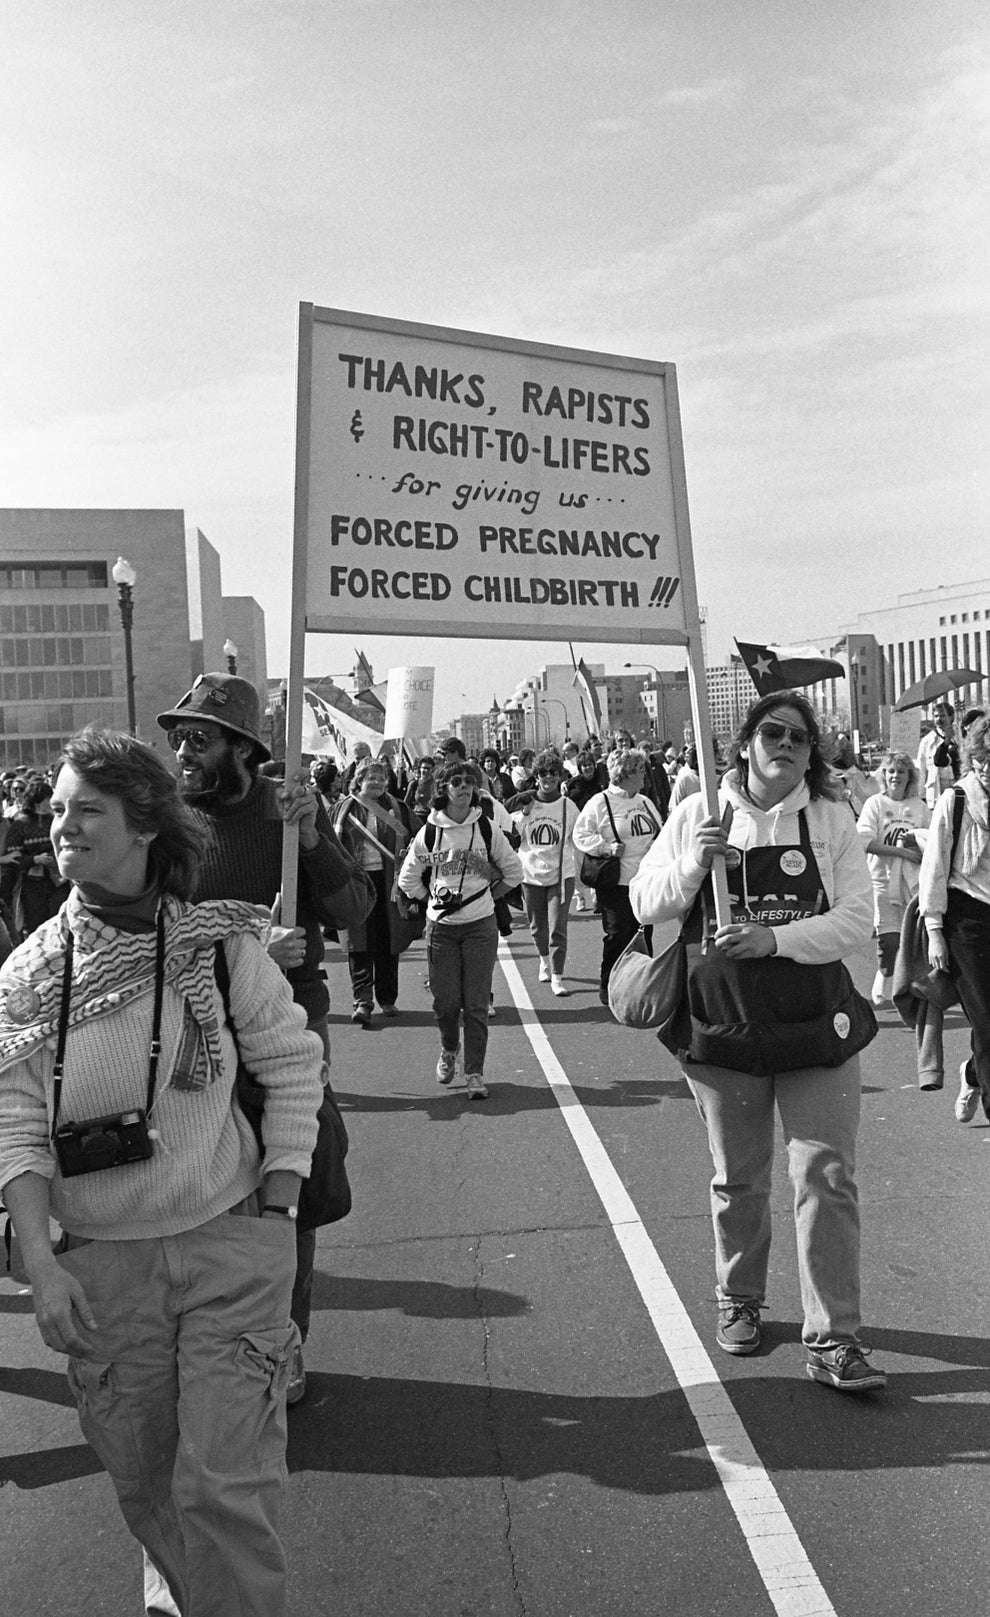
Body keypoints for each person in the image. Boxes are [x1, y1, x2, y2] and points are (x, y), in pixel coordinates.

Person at [0, 728, 324, 1617]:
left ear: (145, 825)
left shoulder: (215, 943)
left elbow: (294, 1064)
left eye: (87, 809)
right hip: (105, 1272)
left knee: (222, 1488)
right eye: (57, 808)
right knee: (149, 1491)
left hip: (230, 1247)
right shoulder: (29, 974)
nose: (62, 825)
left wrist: (280, 1207)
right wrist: (42, 1264)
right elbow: (14, 1126)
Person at [630, 691, 885, 1393]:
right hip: (725, 1021)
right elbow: (645, 901)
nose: (787, 745)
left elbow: (856, 920)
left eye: (800, 737)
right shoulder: (699, 811)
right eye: (773, 732)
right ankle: (738, 1295)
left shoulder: (830, 816)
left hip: (814, 1022)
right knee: (739, 1178)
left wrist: (775, 938)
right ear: (744, 743)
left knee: (826, 1176)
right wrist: (693, 865)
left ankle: (834, 1337)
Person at [156, 672, 357, 1405]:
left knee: (289, 1189)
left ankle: (283, 1343)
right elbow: (153, 938)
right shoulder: (166, 822)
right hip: (191, 1027)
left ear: (243, 748)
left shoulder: (288, 808)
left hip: (290, 1024)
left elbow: (354, 910)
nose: (182, 750)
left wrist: (313, 839)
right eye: (178, 737)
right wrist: (246, 955)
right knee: (200, 1189)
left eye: (198, 738)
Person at [398, 760, 522, 1099]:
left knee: (477, 1004)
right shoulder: (429, 832)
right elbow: (408, 879)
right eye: (456, 781)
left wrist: (489, 897)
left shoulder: (486, 828)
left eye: (469, 780)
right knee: (446, 1003)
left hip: (480, 927)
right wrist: (431, 902)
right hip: (442, 929)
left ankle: (475, 1073)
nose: (464, 786)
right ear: (443, 788)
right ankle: (449, 1048)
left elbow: (514, 872)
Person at [919, 713, 990, 1126]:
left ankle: (974, 1073)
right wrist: (934, 931)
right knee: (987, 1021)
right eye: (983, 757)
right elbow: (934, 867)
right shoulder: (957, 800)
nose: (988, 766)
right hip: (968, 921)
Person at [573, 747, 663, 1004]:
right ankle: (610, 986)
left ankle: (641, 986)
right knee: (618, 935)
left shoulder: (644, 802)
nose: (645, 775)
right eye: (640, 770)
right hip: (616, 883)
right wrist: (606, 847)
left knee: (643, 934)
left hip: (644, 881)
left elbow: (660, 832)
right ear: (626, 773)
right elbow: (580, 835)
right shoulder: (600, 802)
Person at [332, 755, 413, 1025]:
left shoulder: (398, 809)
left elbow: (417, 840)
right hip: (355, 885)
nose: (377, 782)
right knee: (359, 944)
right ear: (359, 780)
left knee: (388, 941)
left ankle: (387, 998)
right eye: (371, 778)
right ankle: (362, 1001)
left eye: (381, 778)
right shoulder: (342, 810)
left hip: (389, 884)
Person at [856, 751, 930, 1005]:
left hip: (912, 884)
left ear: (910, 776)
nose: (895, 776)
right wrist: (901, 852)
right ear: (883, 775)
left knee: (913, 938)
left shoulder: (919, 807)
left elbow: (932, 840)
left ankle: (910, 988)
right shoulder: (875, 804)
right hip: (881, 881)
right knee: (889, 941)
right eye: (890, 771)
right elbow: (864, 841)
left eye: (901, 771)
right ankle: (884, 975)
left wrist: (917, 847)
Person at [511, 750, 580, 995]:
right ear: (536, 776)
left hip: (561, 875)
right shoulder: (526, 802)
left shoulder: (568, 806)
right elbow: (513, 835)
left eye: (553, 772)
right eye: (542, 773)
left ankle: (557, 976)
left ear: (560, 775)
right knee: (537, 927)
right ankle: (543, 960)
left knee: (557, 927)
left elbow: (578, 838)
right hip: (531, 874)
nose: (548, 777)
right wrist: (526, 812)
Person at [2, 777, 70, 938]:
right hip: (33, 884)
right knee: (37, 927)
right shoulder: (19, 825)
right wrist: (35, 859)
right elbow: (14, 859)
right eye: (48, 797)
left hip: (59, 881)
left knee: (61, 924)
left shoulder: (56, 821)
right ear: (38, 800)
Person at [565, 750, 603, 910]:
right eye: (584, 766)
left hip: (596, 826)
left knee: (596, 861)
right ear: (580, 768)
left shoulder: (601, 782)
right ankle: (580, 896)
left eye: (590, 765)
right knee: (578, 863)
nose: (588, 768)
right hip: (577, 828)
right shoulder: (573, 784)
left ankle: (596, 896)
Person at [916, 704, 956, 809]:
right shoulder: (927, 741)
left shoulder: (960, 737)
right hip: (935, 794)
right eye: (936, 716)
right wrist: (921, 796)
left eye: (943, 716)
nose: (939, 719)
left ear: (951, 717)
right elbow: (921, 770)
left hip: (956, 789)